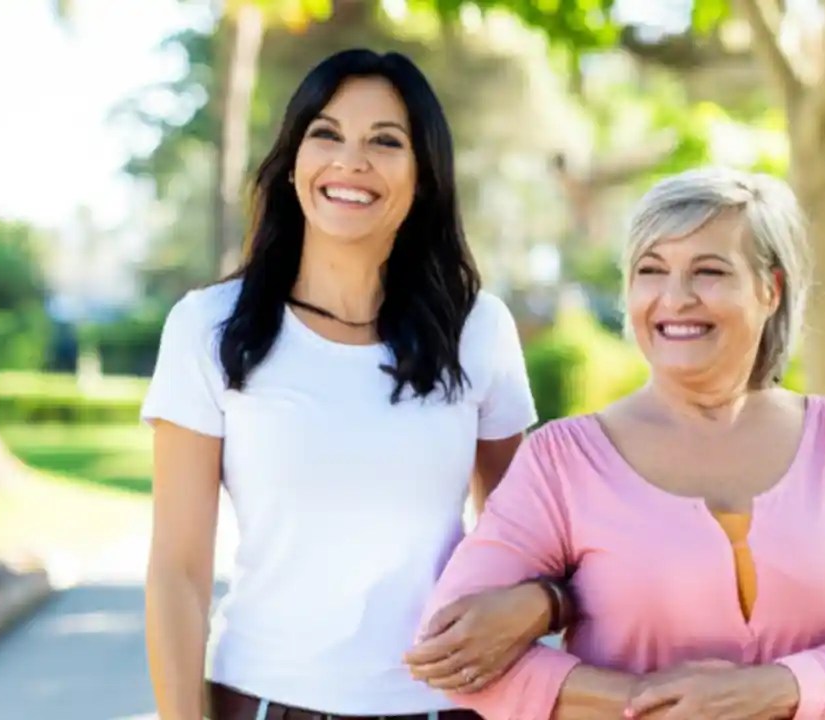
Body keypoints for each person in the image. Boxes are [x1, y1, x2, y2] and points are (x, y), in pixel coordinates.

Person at [408, 166, 825, 719]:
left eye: (709, 271)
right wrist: (642, 701)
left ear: (771, 289)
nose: (675, 297)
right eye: (651, 270)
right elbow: (447, 647)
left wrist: (779, 687)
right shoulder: (563, 461)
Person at [141, 49, 574, 720]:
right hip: (263, 700)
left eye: (385, 141)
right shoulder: (207, 327)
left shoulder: (476, 328)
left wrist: (534, 608)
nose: (351, 161)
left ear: (424, 176)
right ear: (292, 162)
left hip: (445, 704)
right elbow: (178, 572)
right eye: (326, 134)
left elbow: (528, 544)